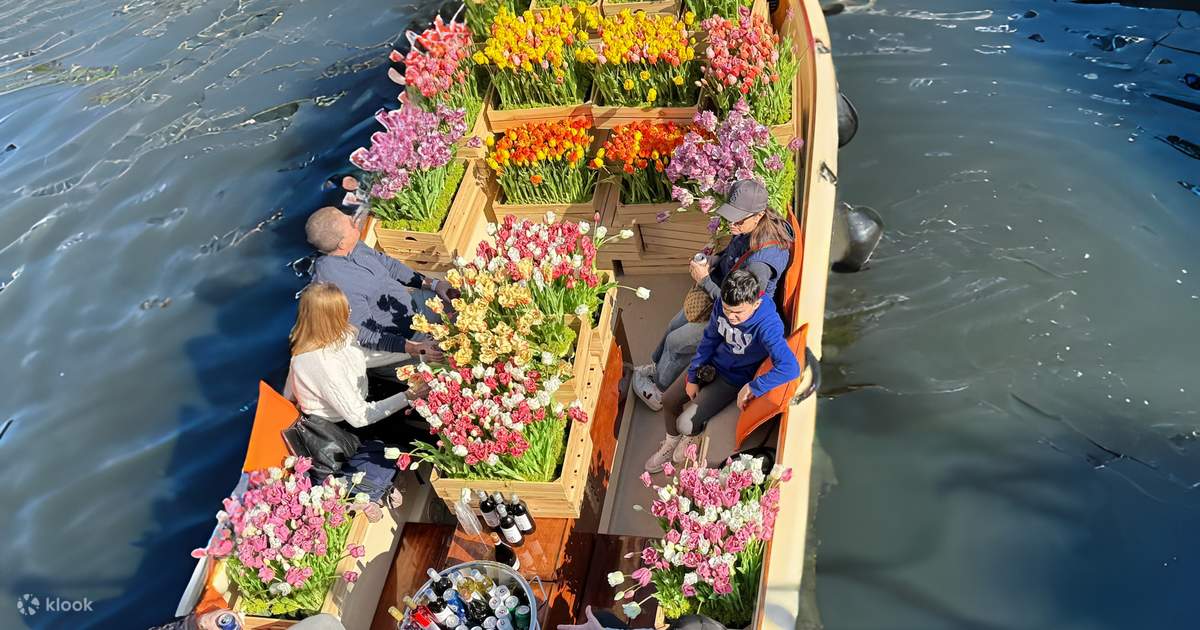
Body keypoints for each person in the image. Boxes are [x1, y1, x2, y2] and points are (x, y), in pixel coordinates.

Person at [632, 179, 793, 411]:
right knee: (673, 325)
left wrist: (704, 280)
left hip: (734, 318)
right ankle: (658, 368)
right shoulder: (752, 226)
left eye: (737, 219)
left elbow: (738, 308)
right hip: (722, 292)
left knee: (676, 342)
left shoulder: (760, 265)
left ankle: (659, 390)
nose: (731, 224)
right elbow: (733, 252)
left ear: (758, 216)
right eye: (730, 217)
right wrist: (713, 261)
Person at [645, 270, 800, 473]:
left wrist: (754, 386)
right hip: (712, 364)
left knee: (685, 424)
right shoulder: (723, 304)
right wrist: (693, 376)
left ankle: (693, 434)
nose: (731, 317)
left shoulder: (768, 325)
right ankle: (670, 443)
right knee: (668, 400)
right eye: (727, 311)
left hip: (731, 379)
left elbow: (790, 367)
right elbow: (709, 339)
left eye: (738, 313)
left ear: (756, 304)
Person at [306, 206, 451, 368]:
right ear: (342, 243)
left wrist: (434, 284)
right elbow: (367, 334)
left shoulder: (354, 247)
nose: (354, 220)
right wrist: (415, 347)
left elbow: (390, 266)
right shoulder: (336, 287)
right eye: (350, 222)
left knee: (460, 296)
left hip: (415, 308)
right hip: (406, 340)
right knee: (456, 360)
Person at [283, 283, 424, 438]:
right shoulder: (321, 364)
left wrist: (413, 351)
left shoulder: (337, 335)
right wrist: (409, 395)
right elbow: (359, 417)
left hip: (364, 396)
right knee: (417, 436)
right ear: (332, 318)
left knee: (425, 406)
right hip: (343, 425)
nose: (350, 312)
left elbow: (361, 356)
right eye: (346, 309)